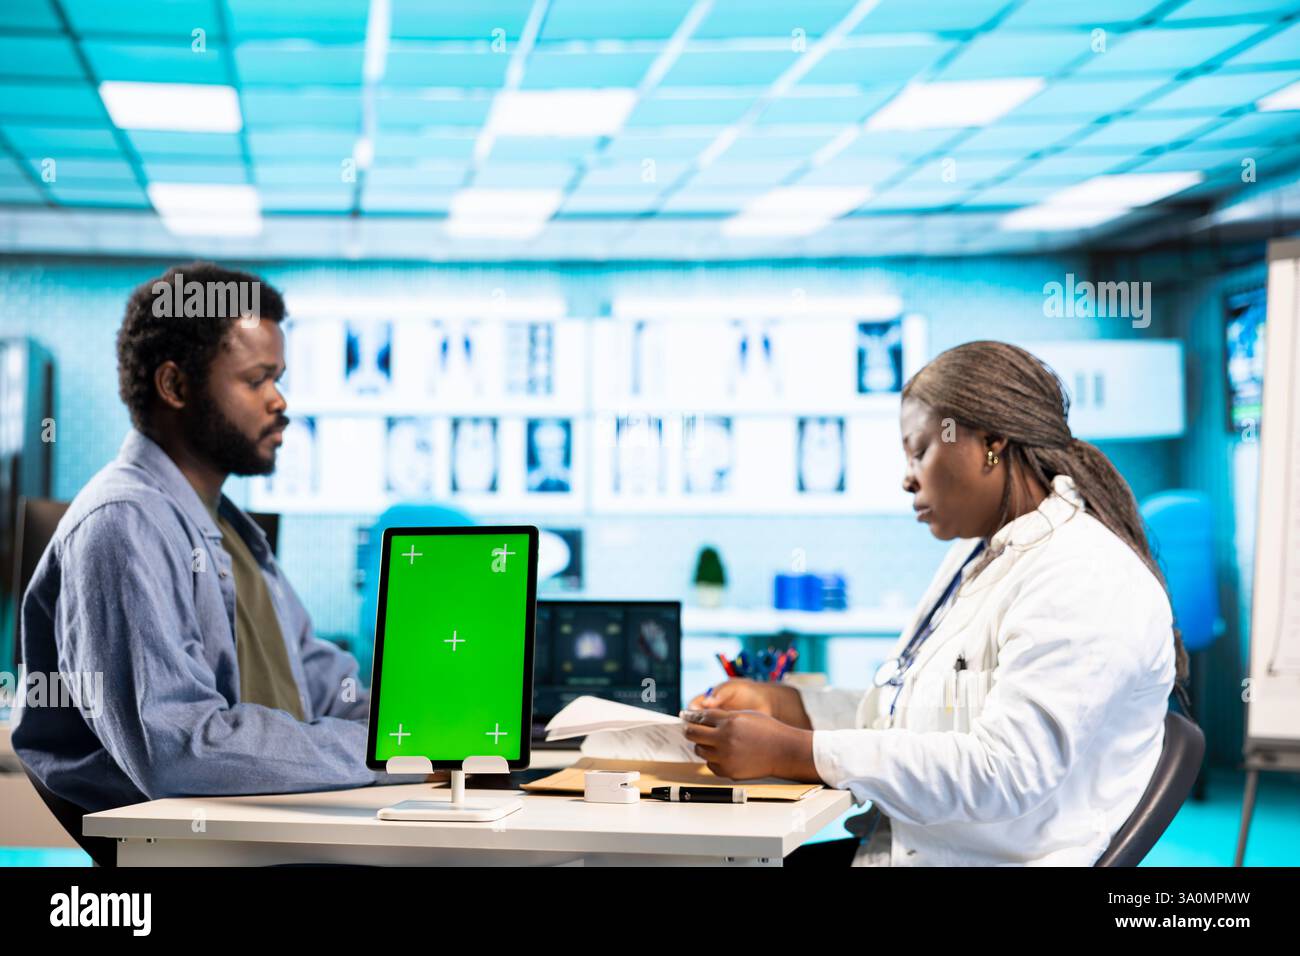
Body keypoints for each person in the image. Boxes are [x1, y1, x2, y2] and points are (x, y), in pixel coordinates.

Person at [685, 340, 1189, 866]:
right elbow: (916, 721)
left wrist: (794, 751)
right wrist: (787, 707)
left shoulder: (1085, 575)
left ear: (992, 442)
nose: (907, 477)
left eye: (920, 451)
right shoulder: (981, 556)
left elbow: (1004, 771)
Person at [13, 262, 423, 816]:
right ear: (175, 386)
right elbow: (182, 749)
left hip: (265, 834)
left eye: (278, 379)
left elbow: (321, 686)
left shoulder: (230, 530)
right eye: (256, 380)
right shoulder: (124, 524)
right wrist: (388, 754)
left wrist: (435, 729)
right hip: (190, 852)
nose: (279, 401)